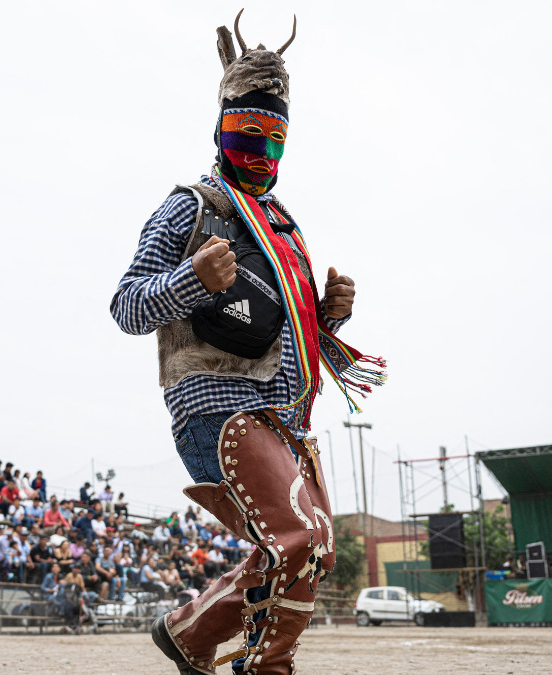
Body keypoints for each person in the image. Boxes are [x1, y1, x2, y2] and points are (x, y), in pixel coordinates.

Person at [110, 14, 377, 673]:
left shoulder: (282, 226)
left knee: (313, 548)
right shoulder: (190, 207)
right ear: (221, 126)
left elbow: (286, 336)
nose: (261, 151)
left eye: (275, 138)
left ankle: (190, 633)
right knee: (298, 538)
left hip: (285, 421)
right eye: (247, 132)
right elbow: (127, 305)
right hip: (218, 409)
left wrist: (327, 318)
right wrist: (191, 279)